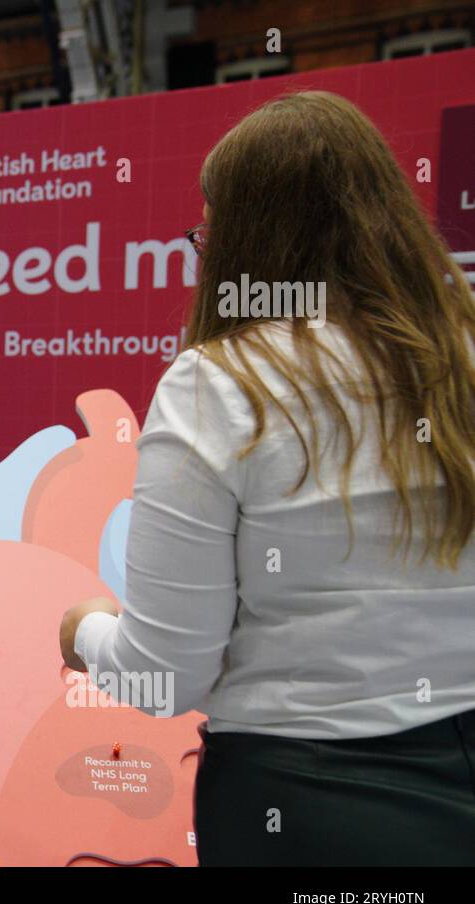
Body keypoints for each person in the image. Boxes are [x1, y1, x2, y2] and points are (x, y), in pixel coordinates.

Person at [59, 91, 475, 865]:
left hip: (307, 803)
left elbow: (164, 676)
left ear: (246, 239)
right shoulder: (461, 356)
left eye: (210, 231)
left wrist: (80, 631)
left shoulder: (218, 386)